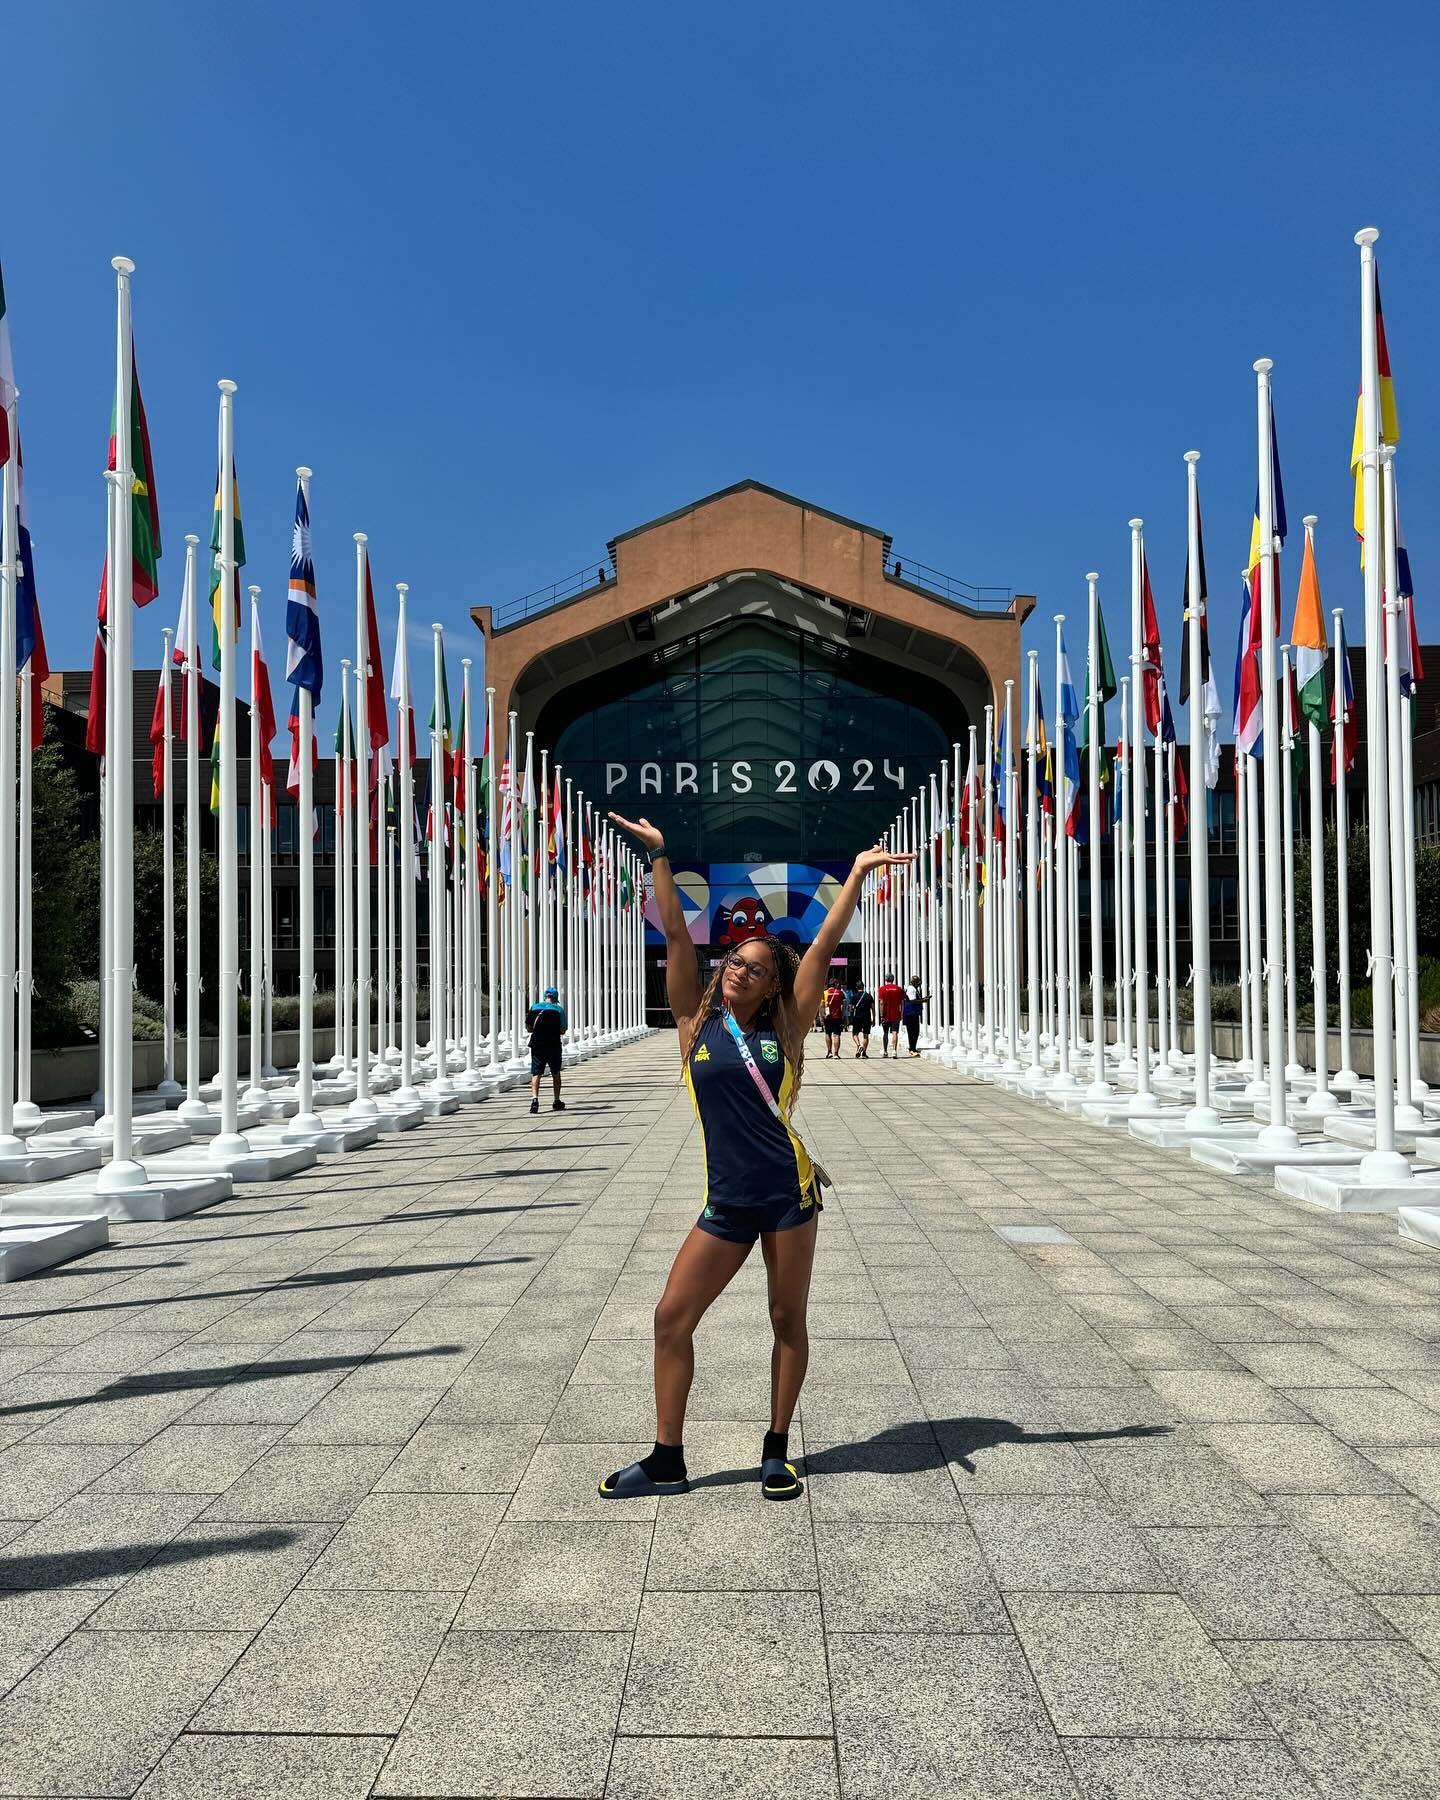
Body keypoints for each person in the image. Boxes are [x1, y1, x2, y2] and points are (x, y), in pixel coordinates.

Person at [597, 811, 910, 1502]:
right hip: (728, 1201)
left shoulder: (790, 1029)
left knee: (785, 1318)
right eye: (735, 961)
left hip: (789, 1197)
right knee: (670, 1318)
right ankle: (667, 1459)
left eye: (756, 968)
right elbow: (677, 932)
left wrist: (854, 875)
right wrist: (659, 854)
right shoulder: (693, 1025)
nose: (739, 970)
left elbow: (824, 942)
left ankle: (776, 1450)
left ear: (775, 985)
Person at [526, 986, 568, 1114]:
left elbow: (528, 1027)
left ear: (545, 997)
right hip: (553, 1044)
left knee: (536, 1072)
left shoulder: (534, 1007)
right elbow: (563, 1030)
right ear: (555, 999)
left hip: (537, 1044)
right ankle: (556, 1100)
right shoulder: (559, 1010)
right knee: (555, 1072)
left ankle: (535, 1100)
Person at [902, 973, 930, 1057]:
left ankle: (913, 1047)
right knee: (912, 1032)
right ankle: (912, 1049)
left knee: (915, 1032)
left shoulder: (914, 988)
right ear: (914, 982)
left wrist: (923, 998)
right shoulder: (911, 989)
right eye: (918, 982)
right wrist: (923, 1000)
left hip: (913, 1013)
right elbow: (913, 1001)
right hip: (910, 1014)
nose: (919, 983)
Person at [877, 972, 904, 1058]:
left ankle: (885, 1051)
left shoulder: (882, 989)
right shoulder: (899, 989)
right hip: (896, 1014)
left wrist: (881, 1015)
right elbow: (902, 1003)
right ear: (893, 979)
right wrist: (901, 1013)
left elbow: (881, 1003)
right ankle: (894, 1051)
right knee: (895, 1032)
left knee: (885, 1033)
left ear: (885, 979)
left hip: (885, 1014)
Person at [821, 980, 847, 1058]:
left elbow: (821, 1005)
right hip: (837, 1016)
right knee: (836, 1035)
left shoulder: (825, 993)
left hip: (827, 1017)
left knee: (828, 1034)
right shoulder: (840, 993)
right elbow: (843, 1005)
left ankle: (829, 1052)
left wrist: (821, 1016)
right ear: (835, 984)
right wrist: (842, 1015)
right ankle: (836, 1053)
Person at [849, 981, 875, 1058]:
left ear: (856, 987)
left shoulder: (854, 996)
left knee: (855, 1034)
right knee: (865, 1035)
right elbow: (873, 1008)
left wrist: (852, 1011)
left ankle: (858, 1045)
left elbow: (850, 1008)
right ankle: (864, 1053)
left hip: (857, 1017)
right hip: (867, 1017)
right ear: (863, 986)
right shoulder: (869, 996)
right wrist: (873, 1017)